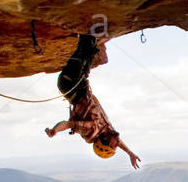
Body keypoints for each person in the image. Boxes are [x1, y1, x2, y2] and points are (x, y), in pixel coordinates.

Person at [45, 34, 140, 169]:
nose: (117, 143)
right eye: (115, 146)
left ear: (104, 142)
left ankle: (86, 28)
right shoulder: (107, 131)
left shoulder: (91, 129)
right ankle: (89, 30)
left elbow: (68, 124)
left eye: (113, 145)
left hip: (70, 85)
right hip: (79, 85)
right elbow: (118, 141)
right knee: (89, 53)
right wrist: (129, 153)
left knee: (84, 52)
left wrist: (55, 130)